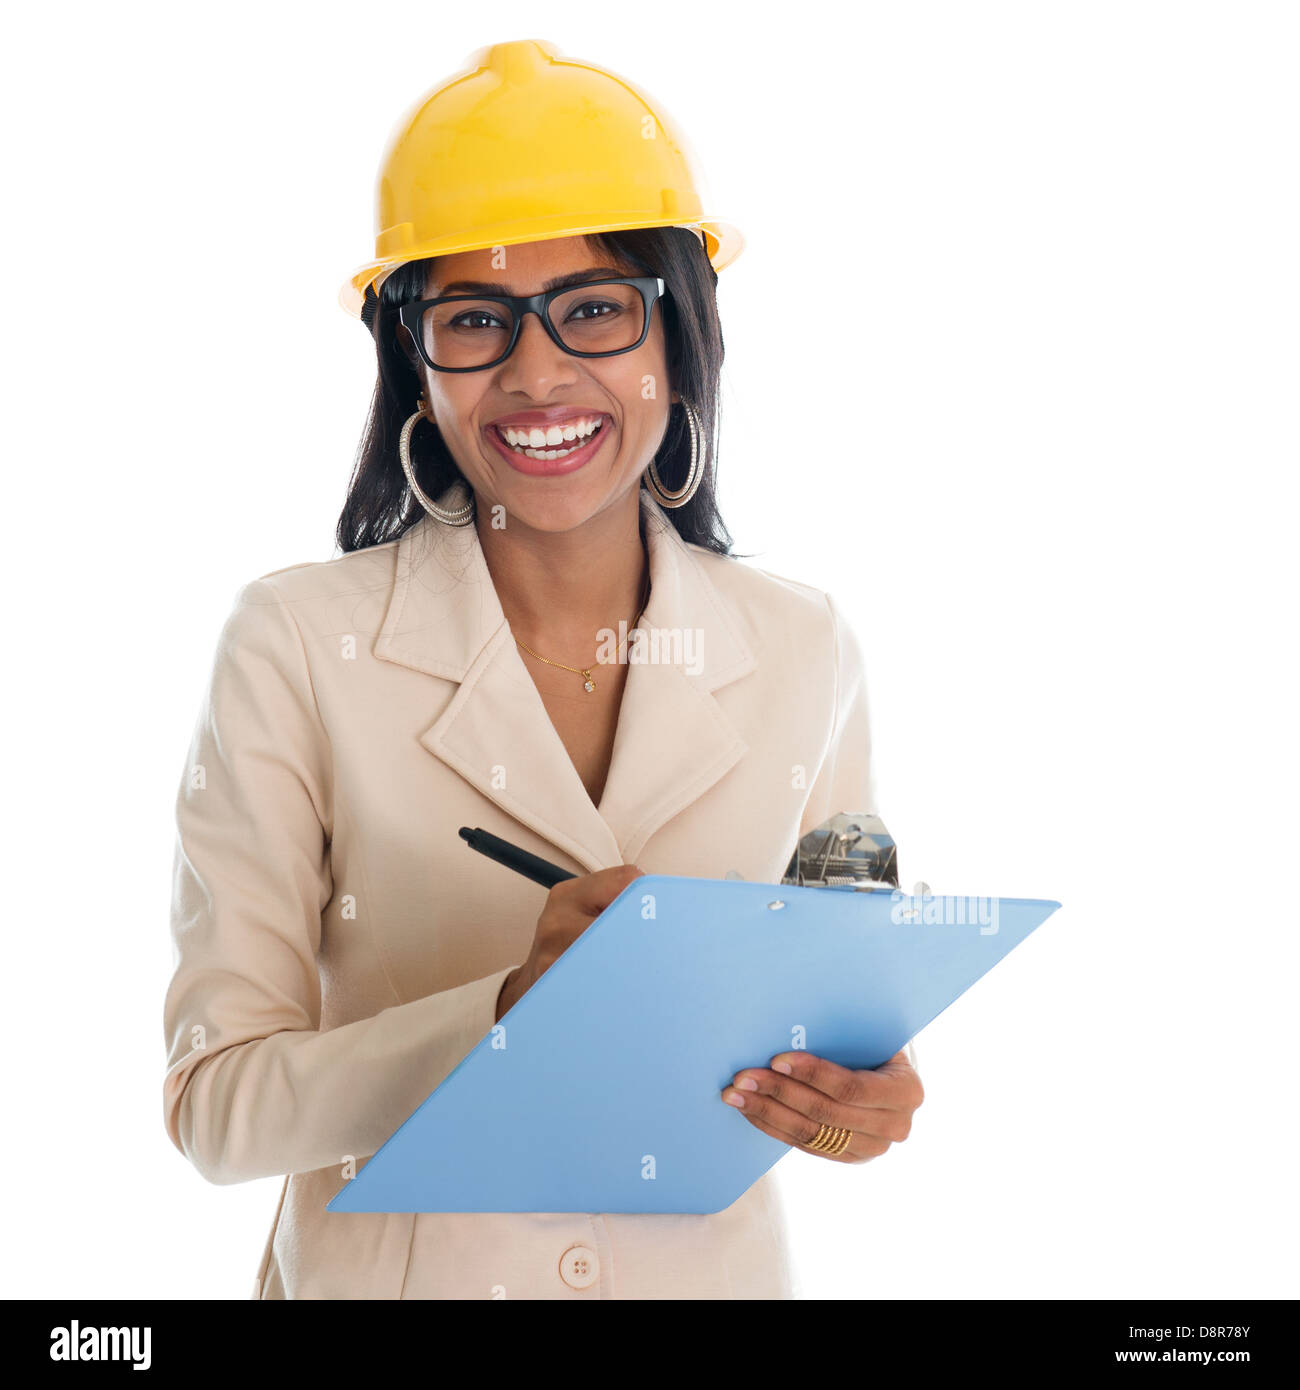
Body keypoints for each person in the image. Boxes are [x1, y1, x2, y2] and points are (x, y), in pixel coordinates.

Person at [161, 38, 923, 1301]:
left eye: (593, 309)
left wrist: (855, 1109)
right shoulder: (295, 644)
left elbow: (833, 1058)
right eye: (473, 320)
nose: (535, 374)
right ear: (415, 359)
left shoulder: (805, 648)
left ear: (677, 339)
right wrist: (506, 1010)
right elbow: (214, 1110)